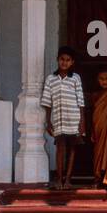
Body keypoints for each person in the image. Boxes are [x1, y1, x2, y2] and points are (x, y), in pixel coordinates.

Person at [41, 46, 85, 190]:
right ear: (57, 60)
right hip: (58, 119)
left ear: (72, 62)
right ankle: (59, 178)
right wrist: (48, 122)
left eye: (68, 60)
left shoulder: (75, 78)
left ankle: (68, 180)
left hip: (73, 118)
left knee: (72, 148)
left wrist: (82, 122)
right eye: (62, 59)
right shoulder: (51, 79)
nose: (64, 63)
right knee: (60, 148)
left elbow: (81, 101)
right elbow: (47, 102)